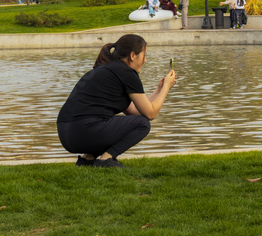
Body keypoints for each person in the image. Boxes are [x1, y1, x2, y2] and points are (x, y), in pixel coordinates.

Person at [56, 34, 176, 167]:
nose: (145, 61)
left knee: (134, 121)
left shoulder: (109, 70)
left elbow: (136, 112)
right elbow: (150, 114)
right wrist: (166, 87)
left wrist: (159, 90)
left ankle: (87, 160)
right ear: (133, 56)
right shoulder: (127, 73)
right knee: (143, 124)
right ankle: (105, 160)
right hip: (83, 130)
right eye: (144, 56)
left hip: (67, 133)